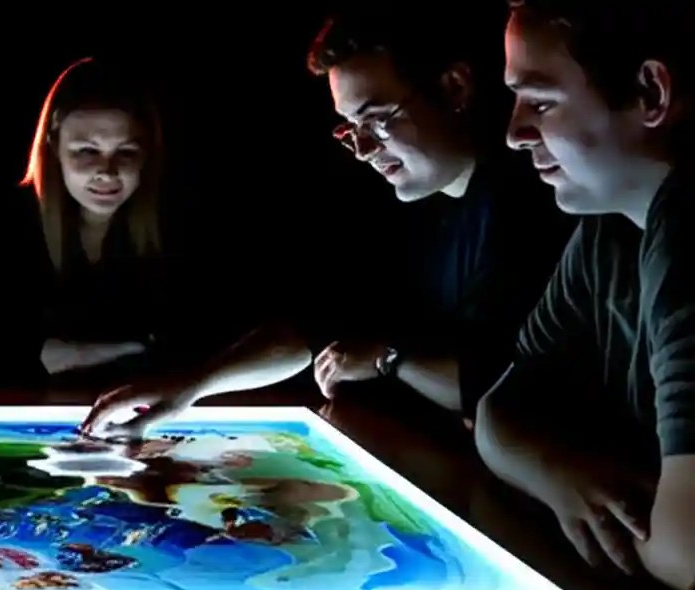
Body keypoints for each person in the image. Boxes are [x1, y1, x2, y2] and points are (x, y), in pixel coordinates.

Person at [81, 4, 571, 438]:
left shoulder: (528, 207)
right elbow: (314, 325)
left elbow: (499, 386)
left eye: (377, 119)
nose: (363, 149)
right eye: (350, 128)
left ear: (454, 87)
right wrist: (192, 386)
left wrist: (388, 358)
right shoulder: (408, 206)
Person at [476, 0, 693, 590]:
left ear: (651, 94)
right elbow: (500, 410)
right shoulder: (611, 227)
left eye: (540, 102)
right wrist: (561, 478)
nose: (514, 134)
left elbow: (687, 554)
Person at [0, 57, 174, 383]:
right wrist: (134, 349)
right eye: (87, 151)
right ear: (54, 146)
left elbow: (201, 348)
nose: (107, 171)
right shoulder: (9, 222)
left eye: (126, 152)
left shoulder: (171, 220)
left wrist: (62, 354)